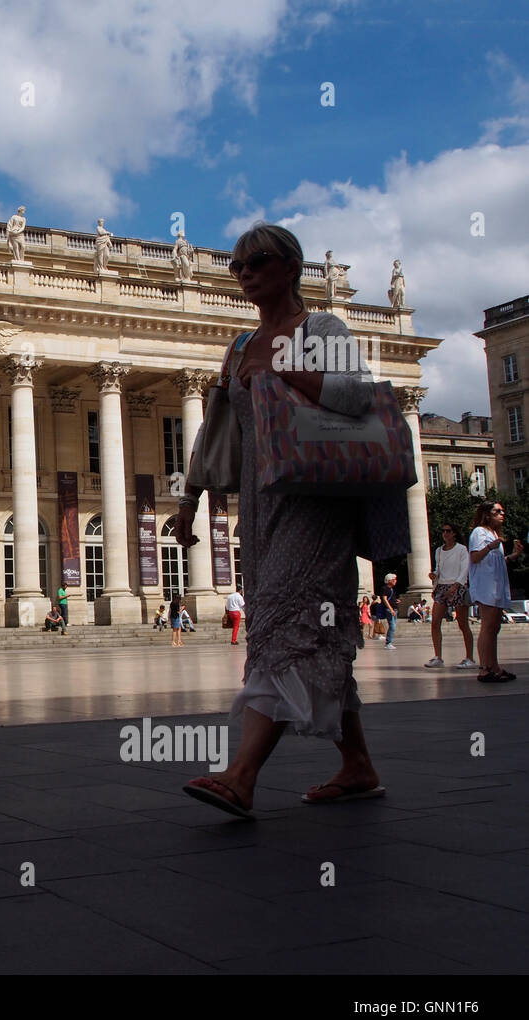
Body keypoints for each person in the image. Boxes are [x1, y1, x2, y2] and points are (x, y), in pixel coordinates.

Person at [176, 223, 384, 818]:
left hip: (317, 498)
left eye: (257, 261)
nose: (244, 272)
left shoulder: (321, 329)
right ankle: (358, 763)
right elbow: (218, 431)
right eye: (237, 264)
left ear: (291, 267)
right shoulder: (239, 345)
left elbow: (354, 397)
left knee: (287, 622)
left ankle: (241, 775)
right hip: (263, 499)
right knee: (300, 626)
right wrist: (191, 499)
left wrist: (280, 373)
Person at [468, 500, 525, 683]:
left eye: (502, 511)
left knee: (495, 627)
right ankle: (485, 668)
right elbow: (475, 557)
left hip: (497, 584)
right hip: (486, 585)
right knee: (488, 626)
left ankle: (494, 666)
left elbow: (497, 561)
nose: (502, 514)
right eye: (497, 511)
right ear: (487, 514)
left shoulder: (493, 534)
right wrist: (491, 546)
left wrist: (514, 555)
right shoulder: (480, 532)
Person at [427, 522, 477, 669]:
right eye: (443, 531)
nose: (445, 533)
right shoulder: (439, 550)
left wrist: (455, 586)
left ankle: (469, 658)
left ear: (454, 533)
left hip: (458, 586)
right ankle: (438, 657)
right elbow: (438, 569)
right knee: (435, 622)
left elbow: (464, 569)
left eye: (448, 531)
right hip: (442, 586)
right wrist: (434, 575)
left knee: (463, 624)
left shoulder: (462, 549)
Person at [381, 573, 400, 650]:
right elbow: (384, 599)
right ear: (389, 580)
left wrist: (396, 601)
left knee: (393, 626)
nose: (395, 581)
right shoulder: (385, 588)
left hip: (394, 609)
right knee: (392, 626)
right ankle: (388, 643)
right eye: (394, 579)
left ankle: (389, 642)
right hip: (390, 609)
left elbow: (390, 599)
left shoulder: (391, 589)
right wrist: (391, 609)